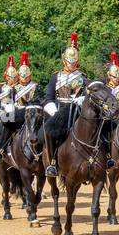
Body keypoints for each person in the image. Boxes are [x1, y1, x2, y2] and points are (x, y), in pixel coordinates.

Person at [41, 33, 88, 177]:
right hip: (60, 109)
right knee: (48, 130)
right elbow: (48, 98)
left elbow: (88, 95)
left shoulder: (83, 76)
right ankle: (53, 163)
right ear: (64, 60)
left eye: (74, 60)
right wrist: (54, 113)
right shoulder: (56, 76)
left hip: (77, 111)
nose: (72, 63)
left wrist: (82, 100)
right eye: (69, 60)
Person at [0, 55, 22, 163]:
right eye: (10, 77)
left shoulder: (21, 87)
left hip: (18, 114)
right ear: (6, 76)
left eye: (14, 76)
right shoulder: (0, 87)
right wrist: (0, 112)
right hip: (4, 114)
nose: (12, 79)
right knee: (5, 126)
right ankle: (0, 151)